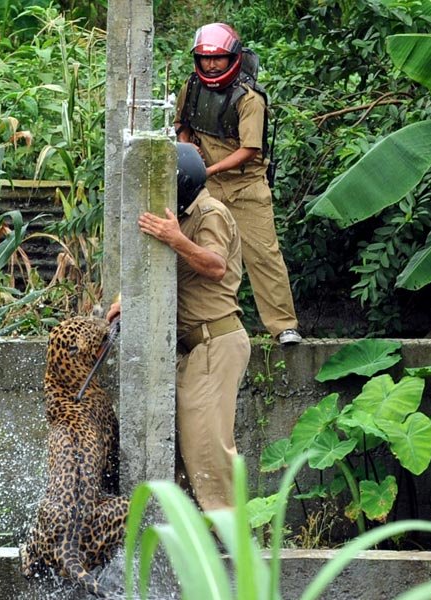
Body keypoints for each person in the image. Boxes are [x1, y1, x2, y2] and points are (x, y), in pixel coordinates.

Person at [108, 143, 250, 511]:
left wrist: (176, 239)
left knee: (208, 449)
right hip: (193, 349)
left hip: (214, 343)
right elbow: (164, 272)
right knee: (187, 450)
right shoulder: (181, 216)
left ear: (182, 183)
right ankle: (197, 538)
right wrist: (128, 301)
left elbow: (216, 265)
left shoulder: (209, 212)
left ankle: (233, 544)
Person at [173, 21, 302, 346]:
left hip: (245, 187)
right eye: (205, 58)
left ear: (233, 58)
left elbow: (249, 150)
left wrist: (209, 170)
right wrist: (188, 149)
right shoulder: (192, 86)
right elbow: (182, 125)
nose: (211, 64)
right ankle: (213, 326)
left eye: (217, 58)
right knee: (206, 255)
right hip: (205, 184)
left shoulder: (249, 98)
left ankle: (283, 326)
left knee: (263, 254)